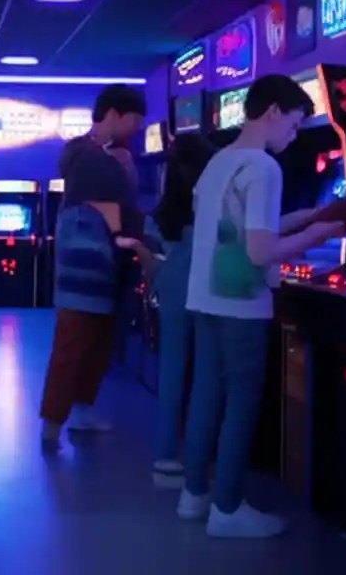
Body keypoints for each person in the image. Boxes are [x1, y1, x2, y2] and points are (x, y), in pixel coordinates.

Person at [176, 74, 343, 536]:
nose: (294, 134)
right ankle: (227, 509)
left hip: (204, 296)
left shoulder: (219, 162)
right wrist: (319, 234)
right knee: (241, 403)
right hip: (241, 302)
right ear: (273, 112)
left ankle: (195, 495)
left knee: (206, 395)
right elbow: (259, 251)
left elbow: (237, 226)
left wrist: (305, 217)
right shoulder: (265, 167)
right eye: (293, 123)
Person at [39, 84, 146, 448]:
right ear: (114, 114)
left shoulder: (91, 153)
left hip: (97, 264)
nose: (135, 129)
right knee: (72, 345)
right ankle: (52, 425)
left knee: (95, 346)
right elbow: (116, 209)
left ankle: (78, 413)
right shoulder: (94, 158)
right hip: (89, 264)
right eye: (134, 121)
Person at [144, 132, 217, 486]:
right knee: (205, 374)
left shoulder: (162, 212)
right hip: (204, 288)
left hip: (169, 289)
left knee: (171, 372)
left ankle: (165, 456)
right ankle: (200, 457)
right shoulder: (210, 205)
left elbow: (152, 256)